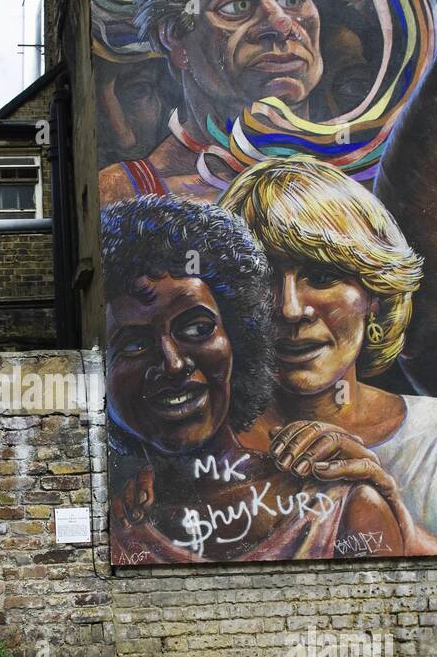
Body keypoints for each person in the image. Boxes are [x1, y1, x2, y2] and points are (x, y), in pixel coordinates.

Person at [104, 196, 407, 562]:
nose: (172, 363)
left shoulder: (344, 506)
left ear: (239, 340)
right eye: (134, 345)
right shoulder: (114, 533)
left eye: (198, 328)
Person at [218, 156, 437, 552]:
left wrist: (400, 530)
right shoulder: (202, 447)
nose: (289, 308)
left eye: (322, 277)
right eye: (262, 278)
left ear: (374, 292)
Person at [99, 0, 326, 205]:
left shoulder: (365, 173)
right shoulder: (125, 195)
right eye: (237, 6)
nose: (281, 23)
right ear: (175, 38)